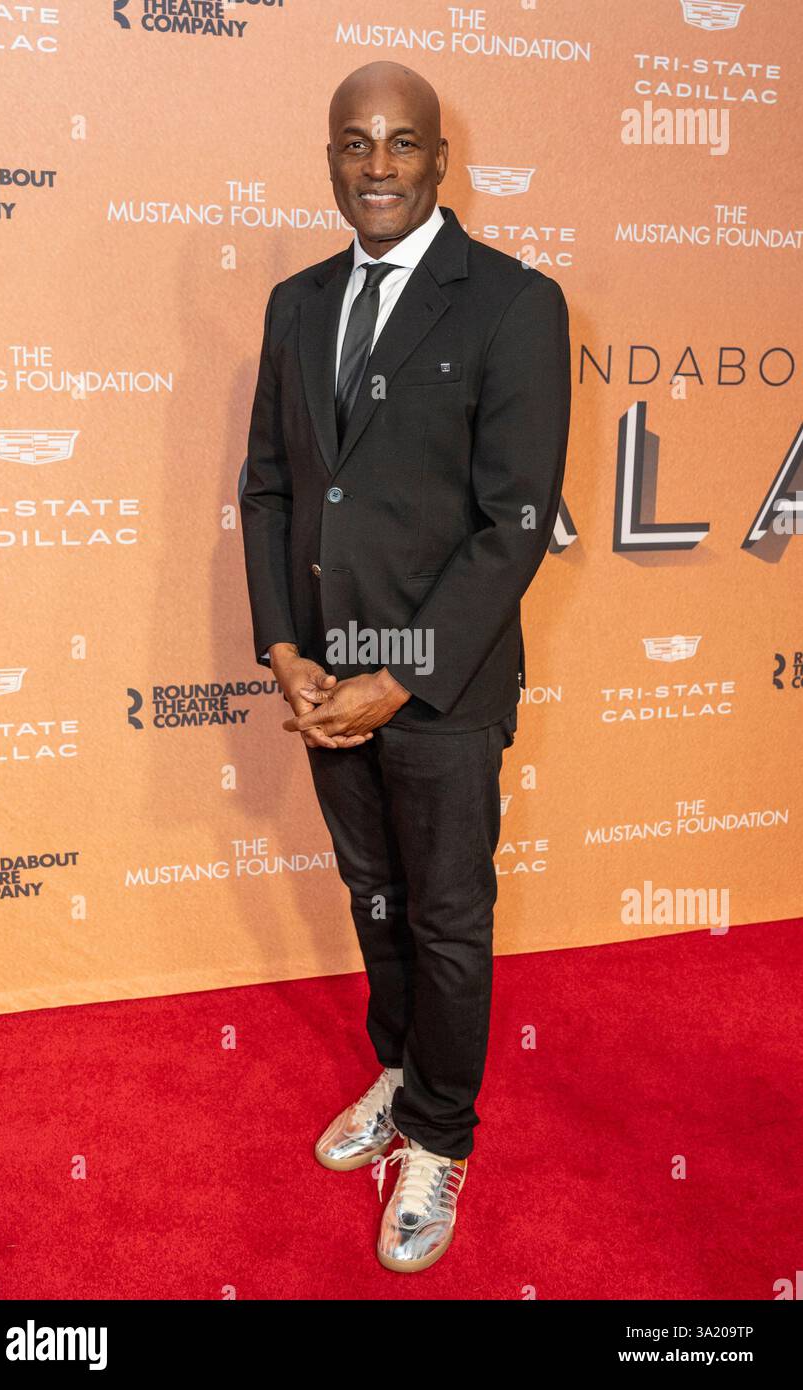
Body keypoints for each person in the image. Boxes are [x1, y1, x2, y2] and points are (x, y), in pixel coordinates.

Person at [240, 59, 571, 1273]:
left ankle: (439, 1132)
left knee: (442, 920)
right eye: (352, 143)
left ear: (440, 159)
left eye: (400, 143)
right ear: (330, 157)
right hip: (327, 680)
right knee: (373, 901)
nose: (376, 164)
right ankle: (402, 1069)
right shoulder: (295, 303)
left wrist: (403, 672)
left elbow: (515, 522)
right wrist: (284, 647)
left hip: (438, 686)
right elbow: (271, 486)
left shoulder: (511, 302)